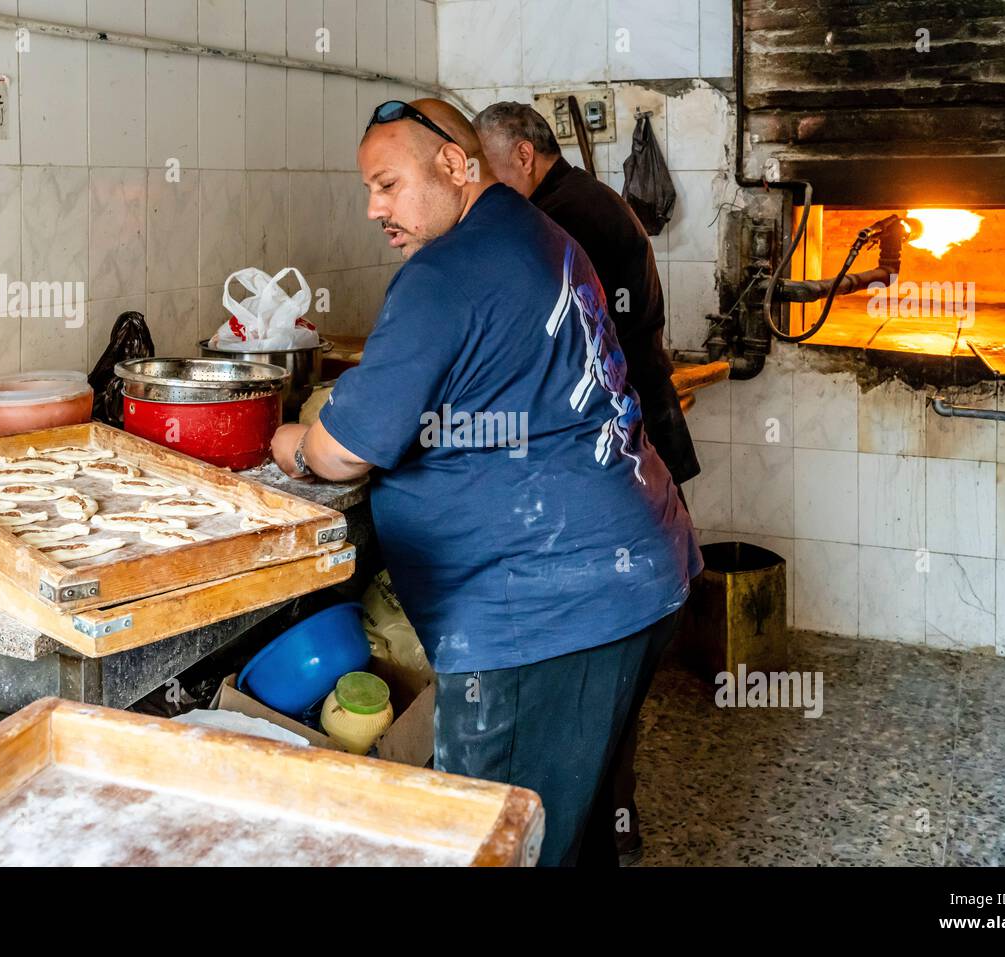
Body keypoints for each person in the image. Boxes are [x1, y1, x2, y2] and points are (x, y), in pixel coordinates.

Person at [270, 98, 700, 867]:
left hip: (545, 611)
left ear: (454, 165)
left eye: (388, 184)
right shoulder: (539, 234)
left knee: (496, 840)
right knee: (571, 821)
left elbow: (345, 451)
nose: (374, 208)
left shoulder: (445, 272)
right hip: (637, 569)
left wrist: (292, 442)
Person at [474, 100, 697, 865]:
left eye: (486, 167)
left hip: (621, 447)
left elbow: (564, 344)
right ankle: (612, 818)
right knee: (611, 669)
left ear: (525, 159)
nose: (477, 186)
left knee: (603, 672)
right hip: (636, 430)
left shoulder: (562, 219)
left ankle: (610, 821)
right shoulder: (580, 205)